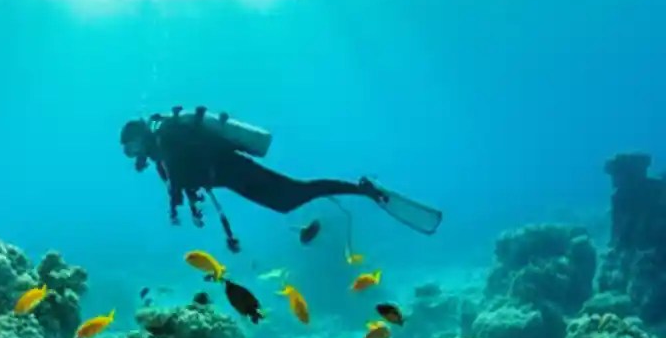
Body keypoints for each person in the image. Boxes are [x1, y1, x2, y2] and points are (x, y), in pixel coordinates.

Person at [120, 106, 443, 252]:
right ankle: (361, 190)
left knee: (294, 193)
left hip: (236, 171)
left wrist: (177, 207)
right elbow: (183, 176)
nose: (134, 154)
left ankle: (363, 189)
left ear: (141, 136)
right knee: (287, 201)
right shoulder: (164, 147)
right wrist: (186, 205)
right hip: (232, 176)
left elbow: (179, 175)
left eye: (132, 147)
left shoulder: (167, 140)